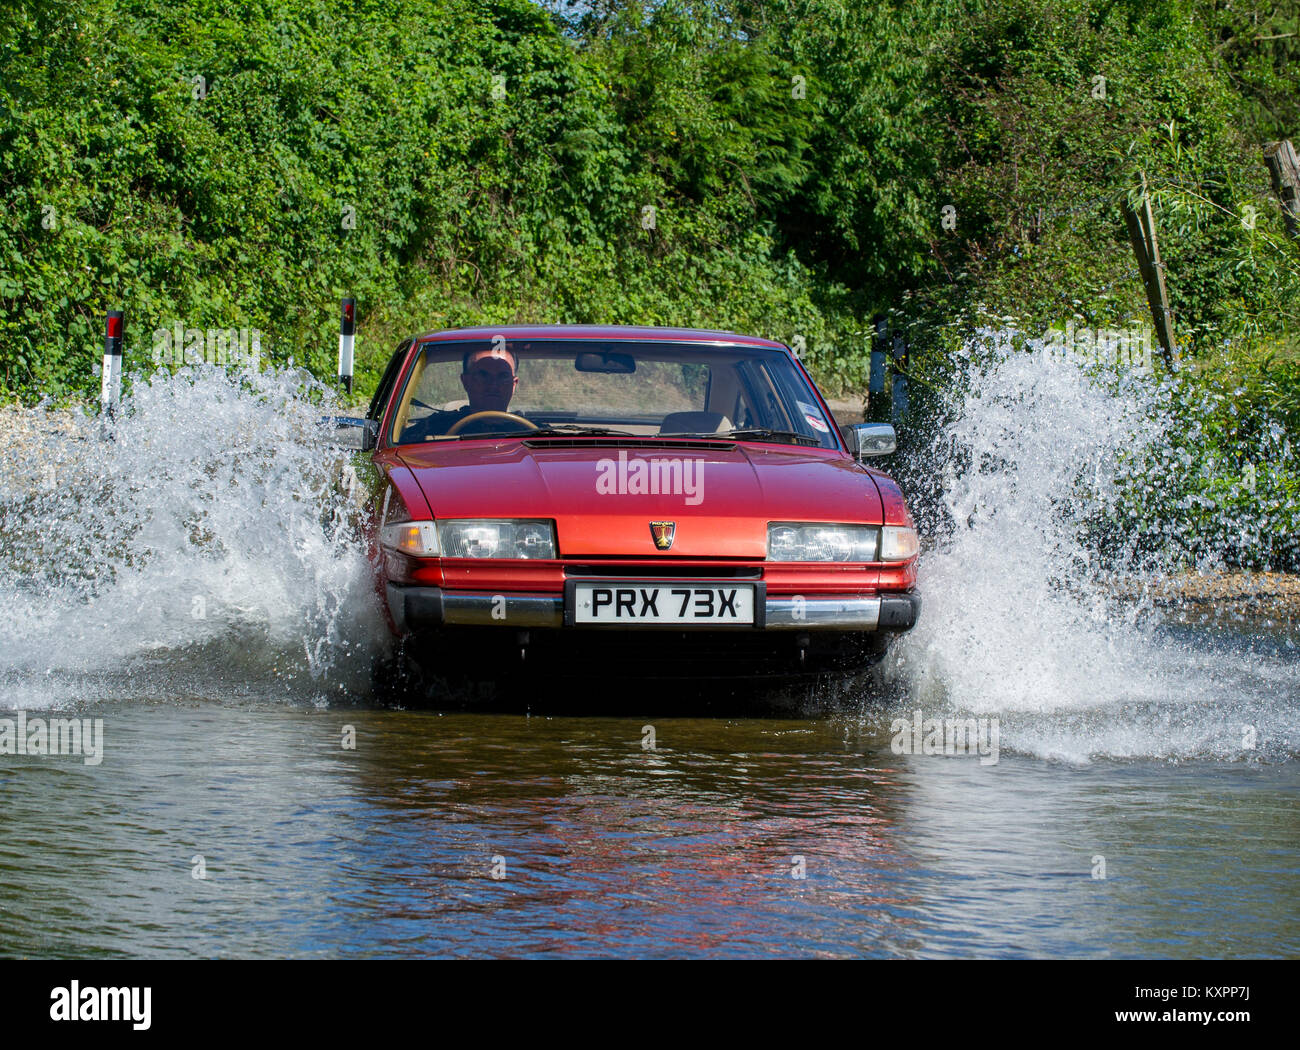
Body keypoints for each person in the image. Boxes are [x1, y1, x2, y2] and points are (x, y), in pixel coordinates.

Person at [414, 345, 525, 437]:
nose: (493, 385)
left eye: (502, 376)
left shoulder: (534, 434)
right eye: (483, 376)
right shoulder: (433, 428)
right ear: (465, 381)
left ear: (514, 384)